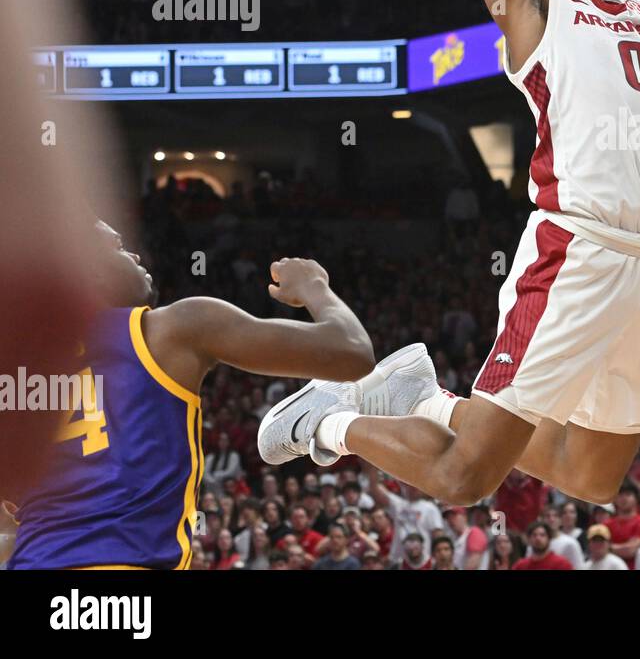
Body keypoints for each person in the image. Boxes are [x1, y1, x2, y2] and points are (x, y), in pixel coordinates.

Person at [263, 0, 640, 510]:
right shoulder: (532, 3)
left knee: (589, 477)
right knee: (466, 479)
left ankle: (426, 402)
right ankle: (328, 422)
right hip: (574, 252)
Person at [4, 221, 377, 570]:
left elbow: (13, 517)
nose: (136, 256)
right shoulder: (174, 328)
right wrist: (314, 286)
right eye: (118, 246)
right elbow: (352, 351)